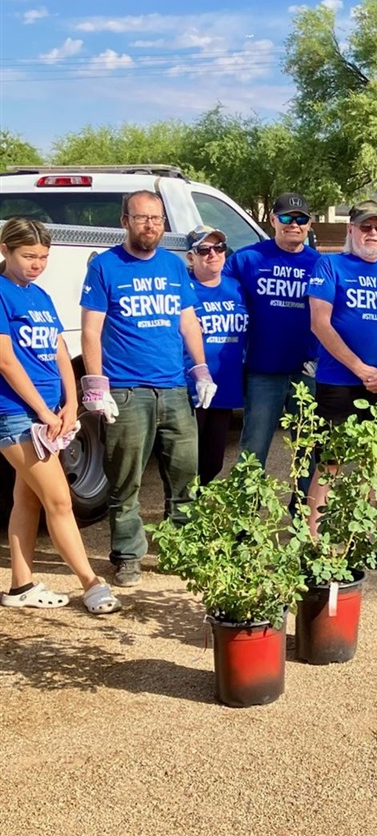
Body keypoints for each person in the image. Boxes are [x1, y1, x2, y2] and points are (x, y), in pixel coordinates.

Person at [80, 190, 213, 587]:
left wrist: (201, 369)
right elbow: (91, 329)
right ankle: (127, 556)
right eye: (141, 218)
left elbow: (188, 321)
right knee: (125, 479)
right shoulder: (105, 267)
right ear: (125, 222)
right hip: (126, 390)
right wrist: (96, 384)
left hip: (174, 388)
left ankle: (181, 549)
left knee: (184, 472)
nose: (150, 225)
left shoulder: (174, 267)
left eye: (156, 218)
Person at [0, 218, 120, 614]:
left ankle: (21, 586)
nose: (37, 264)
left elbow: (58, 350)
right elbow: (6, 361)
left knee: (28, 502)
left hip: (47, 414)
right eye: (28, 256)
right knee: (60, 501)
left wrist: (71, 403)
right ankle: (92, 583)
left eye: (43, 257)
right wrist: (41, 411)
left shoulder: (39, 295)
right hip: (16, 415)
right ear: (6, 250)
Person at [305, 200, 377, 533]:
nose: (373, 233)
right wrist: (360, 368)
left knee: (375, 465)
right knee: (330, 464)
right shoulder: (330, 266)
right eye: (365, 227)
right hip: (339, 383)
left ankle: (362, 538)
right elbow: (319, 324)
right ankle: (313, 541)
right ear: (350, 230)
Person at [225, 192, 321, 472]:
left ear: (310, 224)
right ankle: (247, 510)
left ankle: (304, 513)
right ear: (273, 220)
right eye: (286, 218)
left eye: (300, 218)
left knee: (307, 449)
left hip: (306, 373)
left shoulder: (321, 265)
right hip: (262, 372)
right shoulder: (248, 260)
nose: (294, 224)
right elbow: (215, 293)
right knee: (253, 447)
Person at [185, 226, 248, 485]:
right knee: (186, 460)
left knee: (213, 462)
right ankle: (177, 514)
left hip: (225, 387)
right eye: (204, 250)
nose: (213, 254)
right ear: (191, 257)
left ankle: (197, 512)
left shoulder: (238, 288)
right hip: (192, 388)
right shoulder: (185, 288)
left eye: (219, 247)